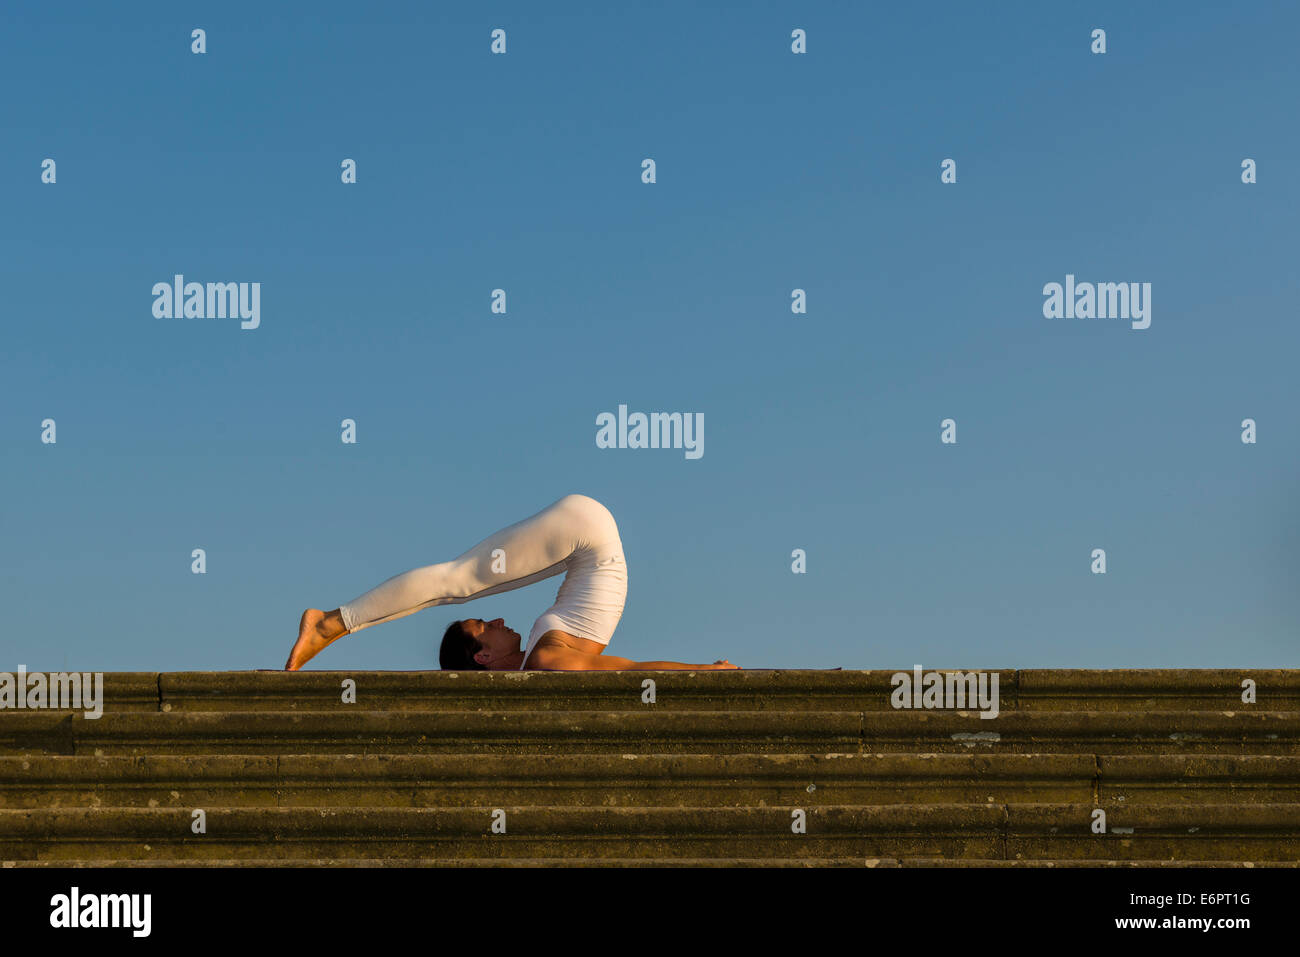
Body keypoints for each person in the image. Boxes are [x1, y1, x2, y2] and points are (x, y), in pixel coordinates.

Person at [285, 493, 740, 672]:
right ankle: (332, 623)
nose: (500, 619)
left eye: (486, 622)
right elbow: (629, 670)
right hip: (588, 536)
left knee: (459, 580)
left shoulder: (541, 660)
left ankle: (330, 623)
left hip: (585, 533)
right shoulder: (543, 662)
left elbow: (630, 670)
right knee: (459, 582)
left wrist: (704, 672)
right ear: (483, 657)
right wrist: (703, 672)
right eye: (486, 626)